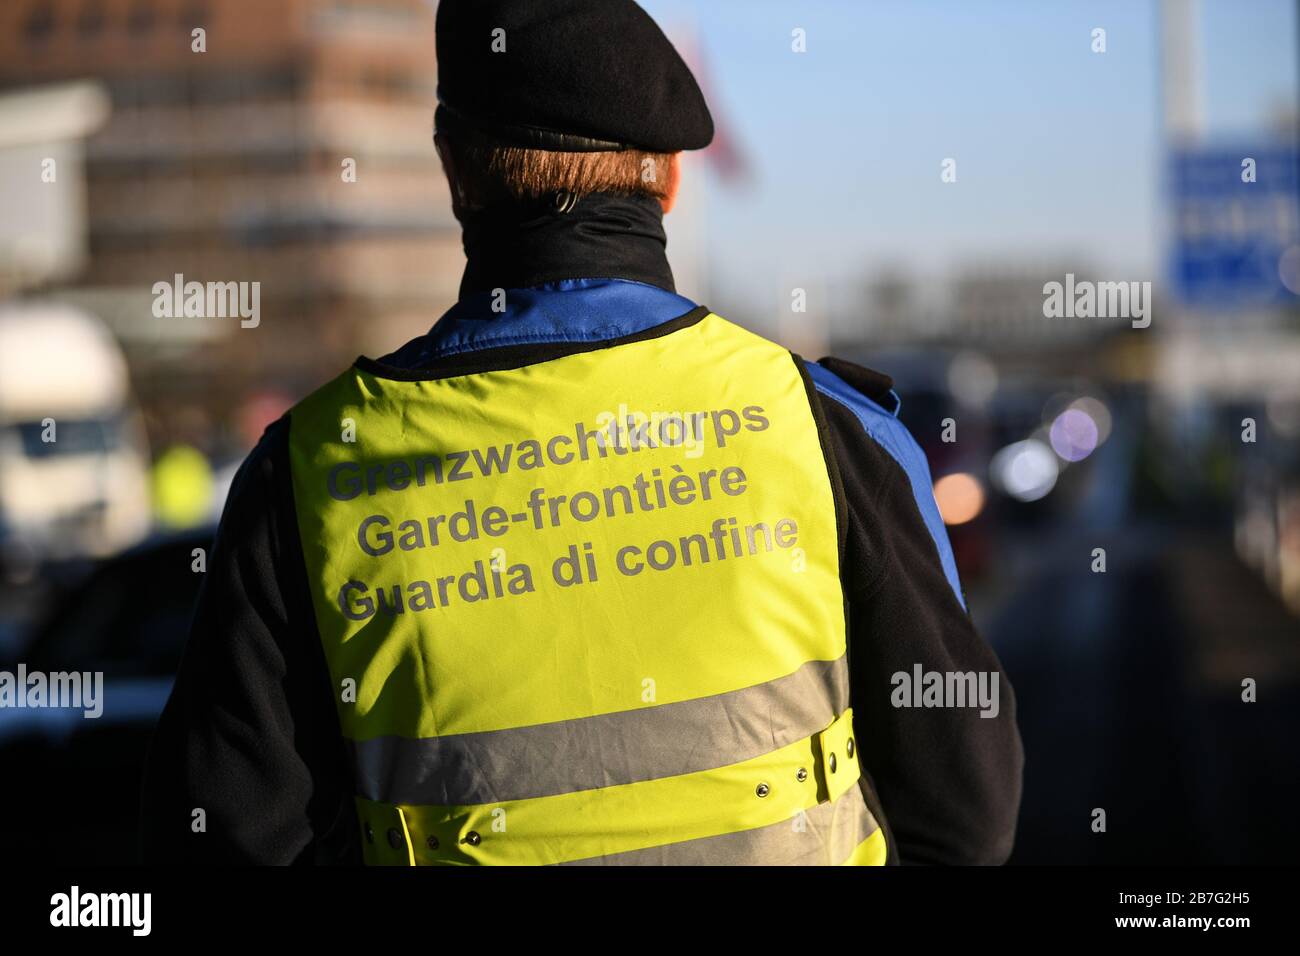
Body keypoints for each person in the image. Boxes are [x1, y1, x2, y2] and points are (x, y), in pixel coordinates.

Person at [142, 0, 1022, 866]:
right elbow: (966, 812)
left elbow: (231, 830)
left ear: (455, 172)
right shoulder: (829, 432)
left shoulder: (305, 474)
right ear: (672, 179)